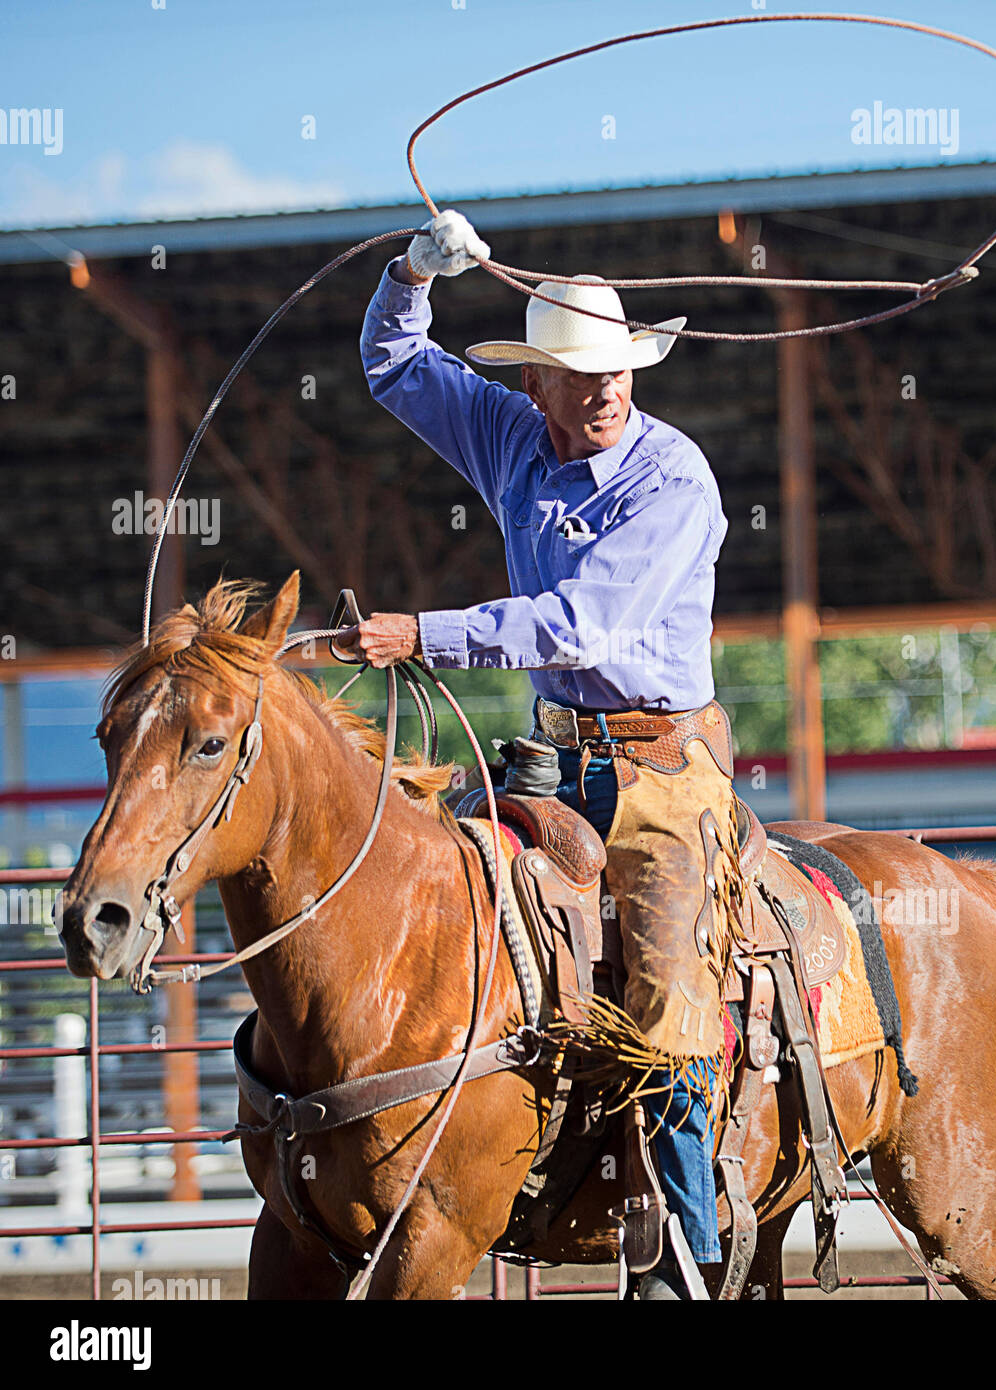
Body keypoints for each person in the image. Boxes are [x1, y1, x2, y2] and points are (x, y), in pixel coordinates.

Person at [349, 209, 744, 1298]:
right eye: (580, 374)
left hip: (661, 770)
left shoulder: (672, 479)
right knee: (442, 925)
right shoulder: (509, 434)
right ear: (538, 387)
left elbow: (582, 628)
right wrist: (411, 274)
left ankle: (682, 1261)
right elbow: (393, 365)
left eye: (615, 367)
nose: (605, 388)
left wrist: (417, 634)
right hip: (551, 757)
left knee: (664, 1001)